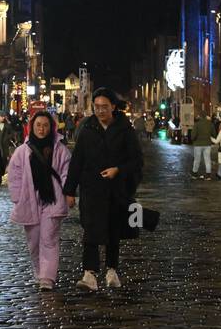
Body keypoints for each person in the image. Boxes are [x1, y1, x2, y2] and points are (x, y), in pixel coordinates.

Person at [63, 87, 143, 291]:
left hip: (117, 190)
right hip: (92, 189)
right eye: (96, 107)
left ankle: (111, 270)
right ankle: (89, 274)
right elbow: (77, 161)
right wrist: (69, 190)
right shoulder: (87, 128)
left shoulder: (125, 129)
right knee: (90, 230)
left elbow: (136, 160)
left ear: (113, 107)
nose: (100, 111)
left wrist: (119, 170)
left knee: (113, 231)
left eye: (104, 107)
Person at [8, 110, 73, 291]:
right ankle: (39, 271)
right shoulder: (22, 151)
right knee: (34, 241)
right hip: (29, 199)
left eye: (45, 125)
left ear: (51, 127)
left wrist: (68, 192)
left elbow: (67, 173)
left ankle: (47, 277)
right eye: (38, 125)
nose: (42, 129)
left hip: (53, 199)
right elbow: (15, 176)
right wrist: (17, 198)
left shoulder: (60, 150)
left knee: (49, 238)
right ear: (31, 127)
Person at [190, 112, 215, 180]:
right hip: (207, 144)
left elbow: (193, 136)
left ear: (200, 117)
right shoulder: (210, 124)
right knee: (207, 159)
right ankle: (208, 175)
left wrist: (194, 139)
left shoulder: (197, 124)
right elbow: (214, 134)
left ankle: (194, 174)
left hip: (198, 144)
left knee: (197, 159)